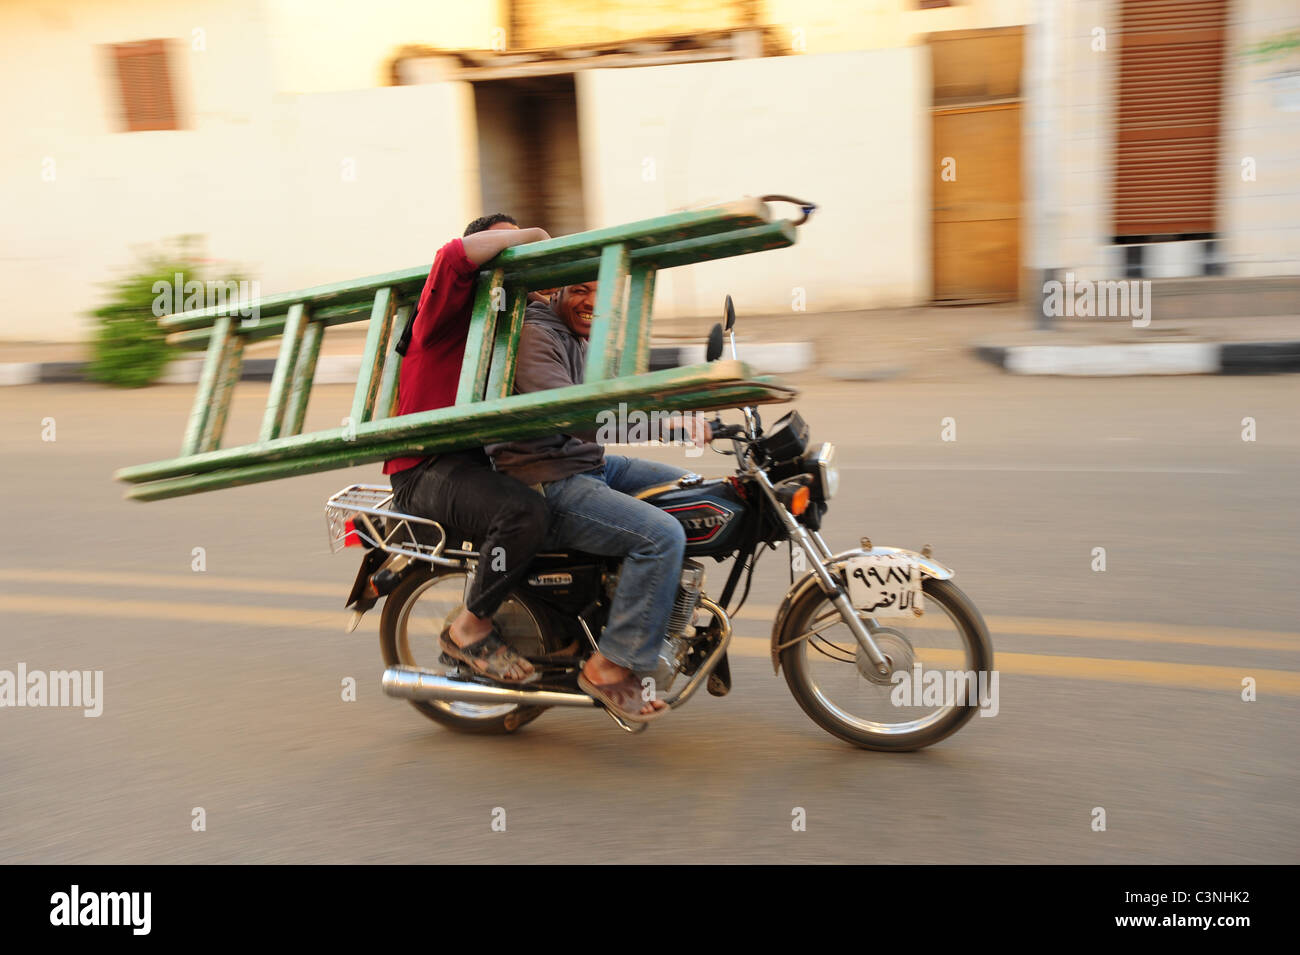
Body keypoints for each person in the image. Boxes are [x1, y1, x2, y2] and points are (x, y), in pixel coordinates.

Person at [487, 282, 713, 721]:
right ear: (553, 290)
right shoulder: (535, 335)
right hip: (546, 478)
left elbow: (622, 392)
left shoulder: (578, 335)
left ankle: (649, 614)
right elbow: (578, 418)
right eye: (579, 290)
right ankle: (608, 665)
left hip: (588, 465)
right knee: (660, 535)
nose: (592, 302)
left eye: (602, 289)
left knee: (696, 490)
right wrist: (668, 425)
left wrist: (698, 400)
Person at [384, 214, 552, 683]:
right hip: (424, 467)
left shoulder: (505, 322)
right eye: (499, 242)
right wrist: (530, 236)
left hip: (474, 463)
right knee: (524, 514)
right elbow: (453, 254)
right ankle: (469, 630)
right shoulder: (441, 311)